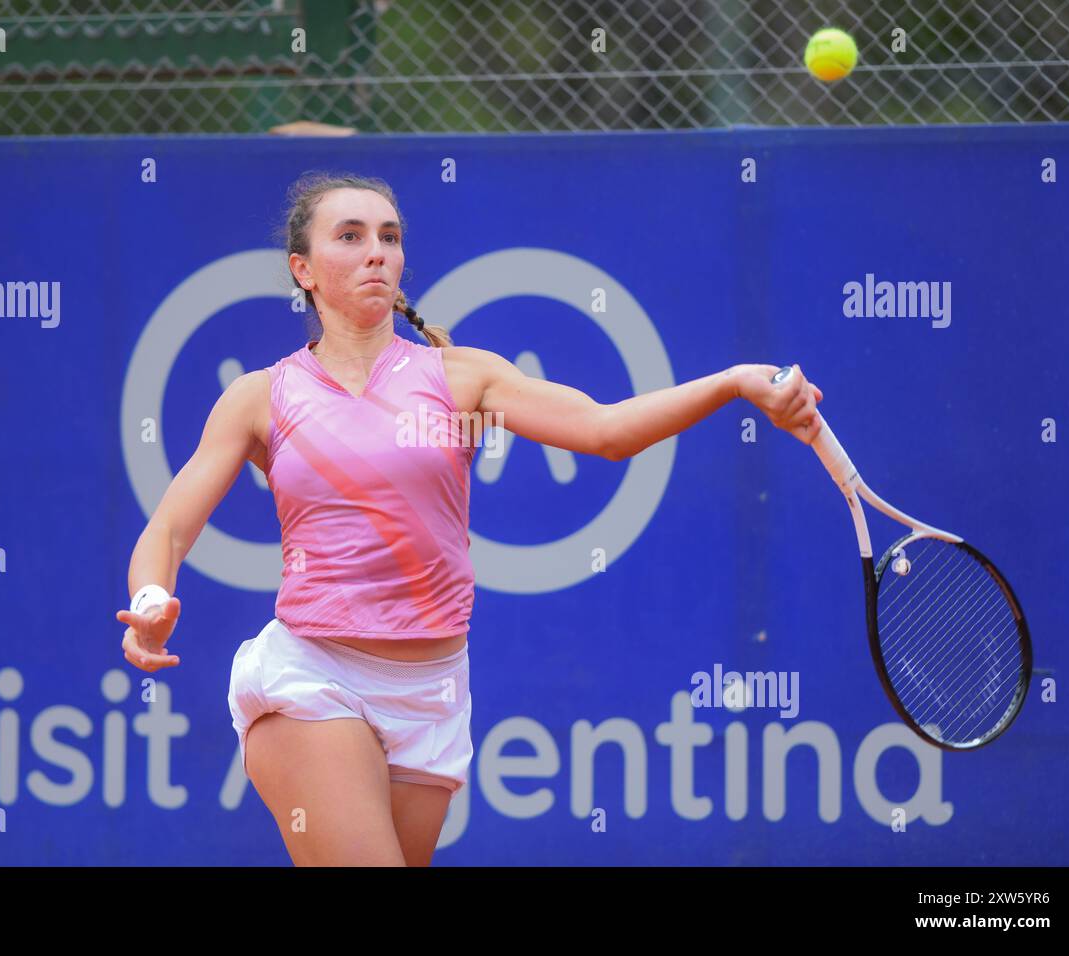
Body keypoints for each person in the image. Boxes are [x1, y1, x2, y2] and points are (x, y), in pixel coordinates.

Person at [115, 172, 823, 866]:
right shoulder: (258, 396)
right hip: (313, 676)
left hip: (434, 692)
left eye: (389, 237)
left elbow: (608, 431)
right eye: (351, 236)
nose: (376, 253)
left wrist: (733, 383)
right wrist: (150, 599)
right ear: (302, 269)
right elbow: (170, 529)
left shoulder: (462, 379)